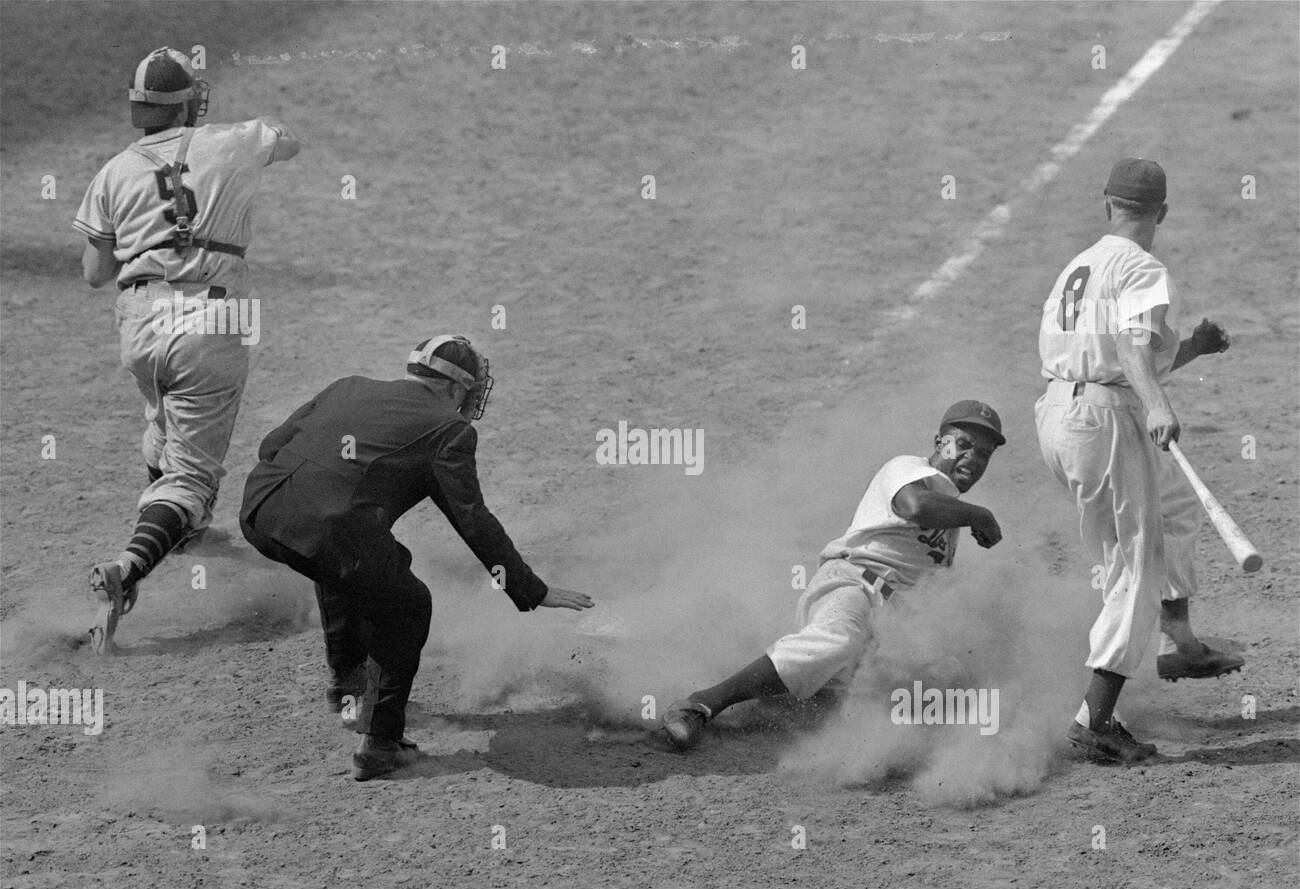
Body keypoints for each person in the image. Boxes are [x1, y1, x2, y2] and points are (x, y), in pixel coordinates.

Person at [239, 335, 595, 780]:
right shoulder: (451, 430)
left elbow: (270, 446)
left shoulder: (347, 386)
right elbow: (472, 520)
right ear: (454, 388)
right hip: (324, 531)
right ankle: (380, 742)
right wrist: (529, 588)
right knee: (407, 605)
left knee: (342, 561)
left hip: (259, 510)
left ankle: (348, 685)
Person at [74, 46, 299, 653]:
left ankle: (185, 531)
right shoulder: (231, 140)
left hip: (140, 322)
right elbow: (288, 140)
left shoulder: (112, 171)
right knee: (192, 476)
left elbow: (95, 272)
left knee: (162, 427)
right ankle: (129, 568)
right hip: (210, 317)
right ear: (189, 102)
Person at [1035, 157, 1239, 766]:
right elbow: (1128, 347)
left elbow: (1119, 361)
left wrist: (1191, 349)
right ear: (1163, 213)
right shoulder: (1144, 267)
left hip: (1060, 415)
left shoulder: (1081, 265)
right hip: (1104, 423)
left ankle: (1179, 641)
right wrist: (1158, 404)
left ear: (1107, 205)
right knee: (1135, 567)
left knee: (1172, 504)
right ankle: (1095, 721)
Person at [658, 401, 1005, 751]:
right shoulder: (907, 470)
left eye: (984, 453)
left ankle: (789, 704)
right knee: (839, 639)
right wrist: (981, 516)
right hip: (853, 585)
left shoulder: (951, 521)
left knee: (954, 683)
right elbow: (914, 506)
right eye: (962, 444)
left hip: (889, 623)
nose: (973, 457)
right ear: (938, 442)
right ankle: (699, 705)